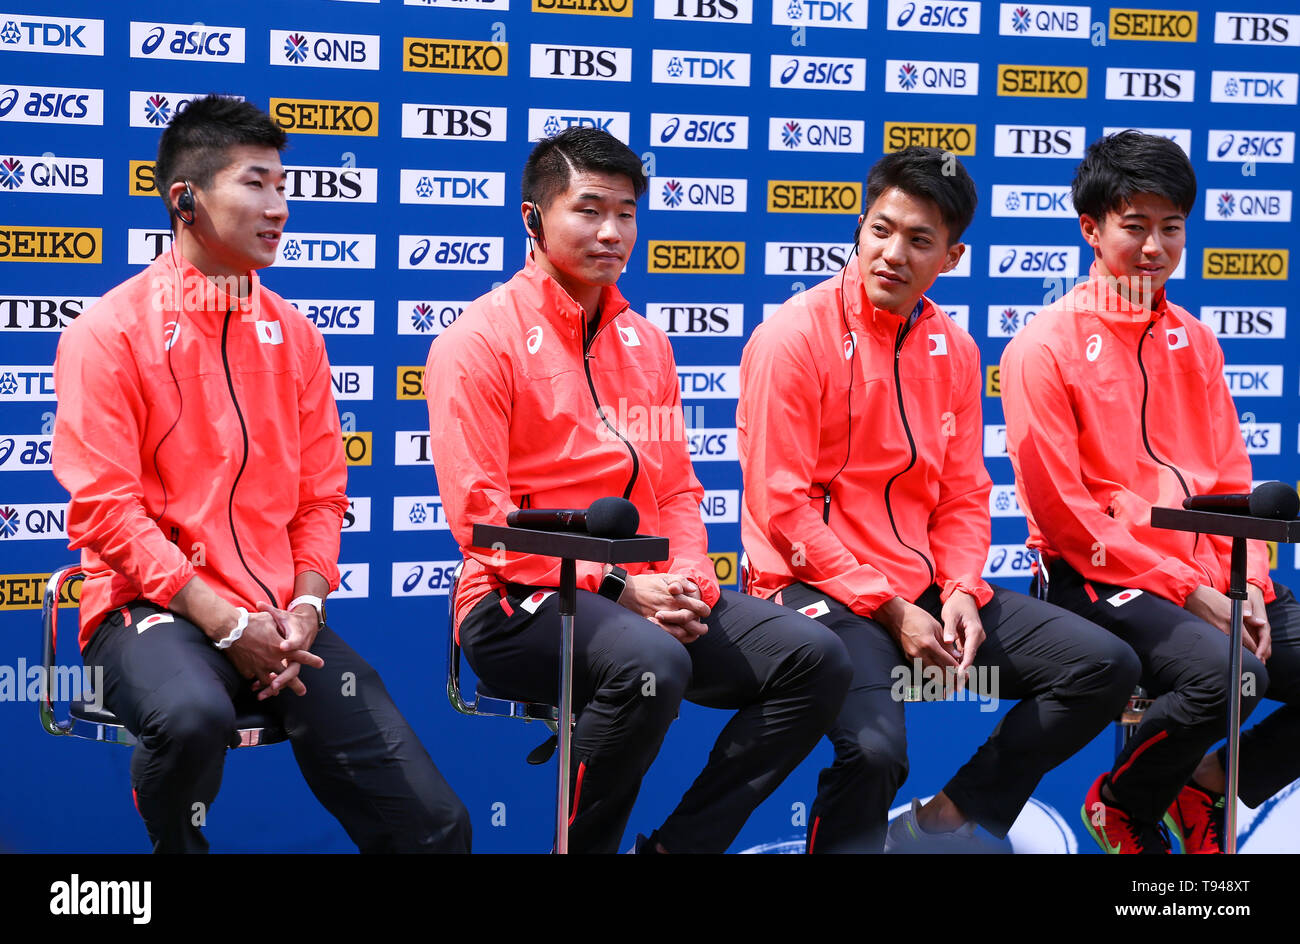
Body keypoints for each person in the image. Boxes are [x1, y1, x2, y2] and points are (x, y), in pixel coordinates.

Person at [52, 94, 471, 854]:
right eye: (255, 184)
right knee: (192, 718)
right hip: (147, 612)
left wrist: (305, 606)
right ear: (185, 199)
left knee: (437, 830)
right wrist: (225, 621)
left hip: (282, 622)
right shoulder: (107, 334)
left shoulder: (297, 336)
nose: (278, 207)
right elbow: (106, 511)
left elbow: (321, 497)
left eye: (283, 187)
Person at [425, 127, 852, 854]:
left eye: (626, 212)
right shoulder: (477, 341)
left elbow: (678, 491)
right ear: (532, 219)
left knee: (816, 658)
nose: (611, 231)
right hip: (515, 600)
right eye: (588, 210)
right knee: (653, 663)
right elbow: (485, 525)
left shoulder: (646, 343)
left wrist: (687, 580)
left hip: (647, 594)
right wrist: (620, 586)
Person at [737, 146, 1140, 853]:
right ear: (859, 229)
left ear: (951, 258)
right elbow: (782, 507)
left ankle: (949, 819)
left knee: (1102, 666)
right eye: (880, 230)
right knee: (876, 752)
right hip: (813, 591)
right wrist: (890, 609)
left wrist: (957, 589)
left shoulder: (954, 350)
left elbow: (961, 494)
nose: (892, 253)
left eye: (919, 240)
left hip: (923, 591)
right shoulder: (791, 338)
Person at [1000, 130, 1300, 854]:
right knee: (1227, 673)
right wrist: (1192, 591)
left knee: (1249, 655)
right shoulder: (1042, 346)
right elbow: (1064, 517)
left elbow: (1233, 480)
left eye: (1171, 228)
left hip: (1213, 579)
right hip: (1095, 579)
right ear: (1092, 229)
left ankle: (1210, 779)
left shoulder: (1196, 341)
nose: (1154, 247)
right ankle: (1125, 804)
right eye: (1135, 226)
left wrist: (1250, 582)